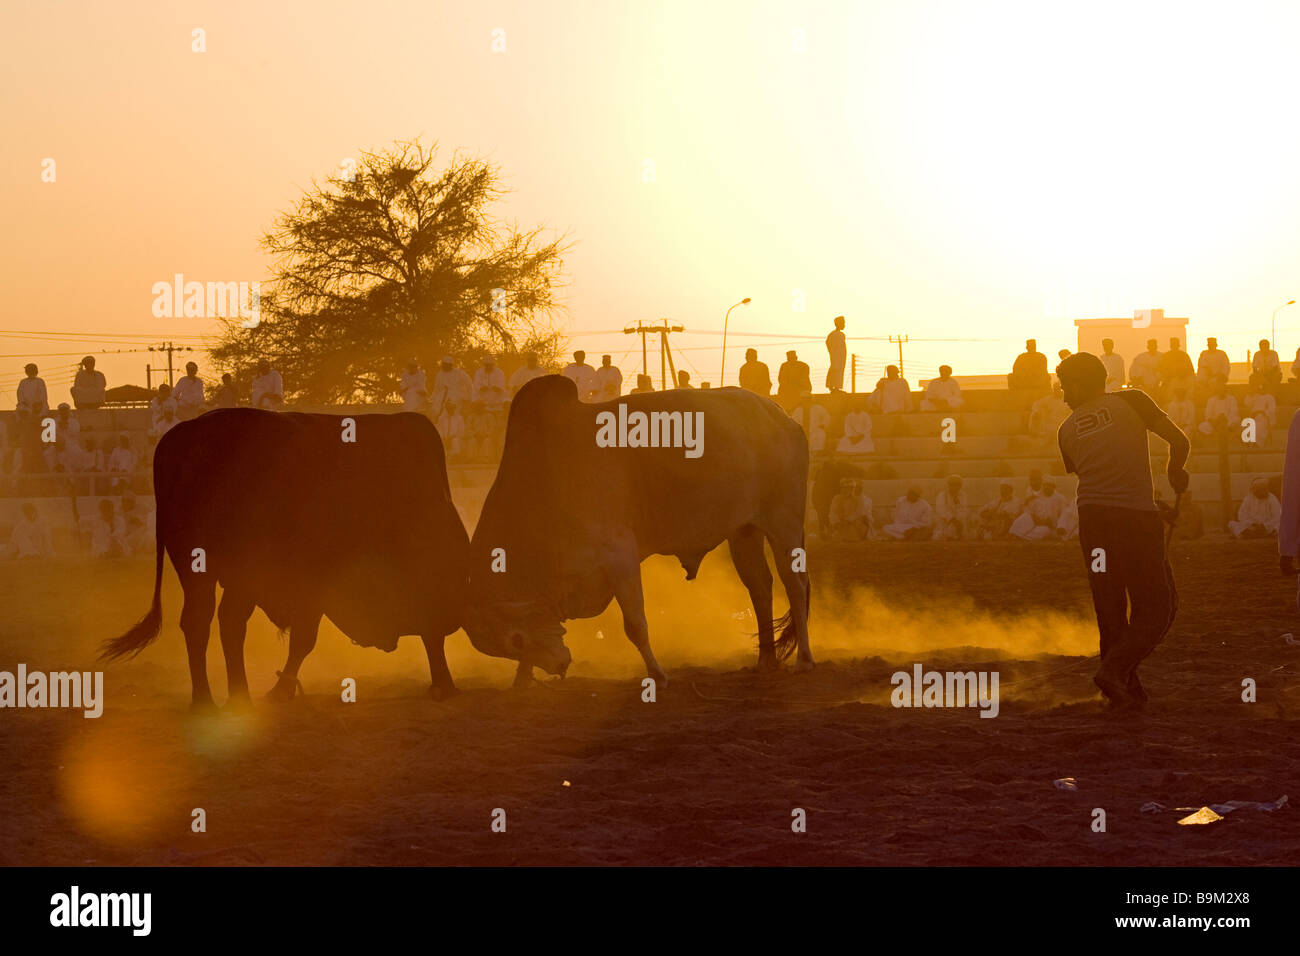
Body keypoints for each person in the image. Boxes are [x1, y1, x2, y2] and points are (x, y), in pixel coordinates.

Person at [1055, 351, 1189, 710]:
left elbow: (1102, 477)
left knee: (1109, 605)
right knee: (1158, 607)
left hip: (1093, 524)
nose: (1064, 396)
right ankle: (1115, 671)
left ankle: (1124, 690)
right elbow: (1180, 442)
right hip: (1135, 521)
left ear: (1081, 384)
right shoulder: (1133, 400)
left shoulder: (1065, 431)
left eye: (1065, 386)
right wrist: (1175, 471)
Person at [811, 453, 866, 539]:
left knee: (828, 515)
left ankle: (826, 530)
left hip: (825, 498)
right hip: (824, 498)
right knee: (828, 514)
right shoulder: (832, 470)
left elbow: (860, 473)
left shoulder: (835, 469)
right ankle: (826, 530)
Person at [827, 477, 872, 542]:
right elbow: (832, 512)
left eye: (848, 488)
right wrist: (837, 521)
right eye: (844, 488)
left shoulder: (858, 499)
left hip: (853, 523)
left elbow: (859, 512)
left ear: (852, 489)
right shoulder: (836, 498)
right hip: (840, 523)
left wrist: (848, 519)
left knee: (854, 532)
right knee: (836, 534)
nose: (845, 490)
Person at [933, 474, 971, 540]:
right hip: (945, 522)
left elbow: (964, 509)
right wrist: (952, 519)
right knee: (941, 536)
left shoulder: (963, 495)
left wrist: (958, 520)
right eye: (952, 484)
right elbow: (941, 510)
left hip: (959, 521)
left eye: (956, 485)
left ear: (960, 486)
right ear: (949, 485)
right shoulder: (942, 495)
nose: (954, 487)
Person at [1243, 380, 1277, 445]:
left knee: (1259, 425)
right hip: (1254, 416)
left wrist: (1262, 412)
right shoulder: (1255, 396)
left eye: (1263, 387)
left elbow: (1272, 410)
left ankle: (1257, 442)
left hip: (1265, 417)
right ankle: (1252, 441)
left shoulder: (1270, 397)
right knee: (1251, 423)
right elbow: (1247, 404)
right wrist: (1250, 395)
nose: (1262, 389)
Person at [825, 315, 847, 392]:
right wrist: (833, 353)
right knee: (835, 369)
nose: (844, 325)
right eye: (843, 323)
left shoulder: (840, 334)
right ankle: (832, 386)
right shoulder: (834, 334)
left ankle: (836, 387)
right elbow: (828, 343)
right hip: (836, 356)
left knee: (839, 370)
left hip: (840, 356)